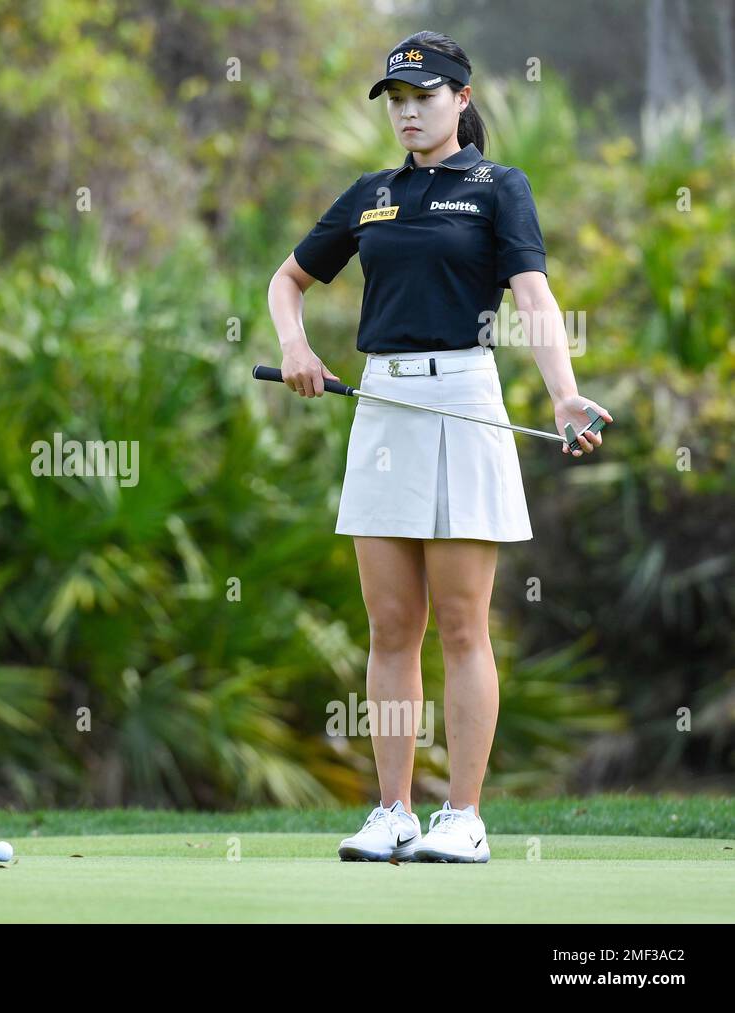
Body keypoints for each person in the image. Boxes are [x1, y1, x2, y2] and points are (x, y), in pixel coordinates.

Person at [265, 31, 613, 863]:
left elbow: (531, 291)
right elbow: (288, 281)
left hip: (463, 395)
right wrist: (295, 345)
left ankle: (463, 816)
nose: (408, 113)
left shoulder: (497, 187)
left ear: (461, 99)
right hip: (382, 401)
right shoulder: (371, 194)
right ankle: (392, 812)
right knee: (390, 626)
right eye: (396, 100)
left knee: (460, 624)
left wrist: (564, 392)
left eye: (423, 98)